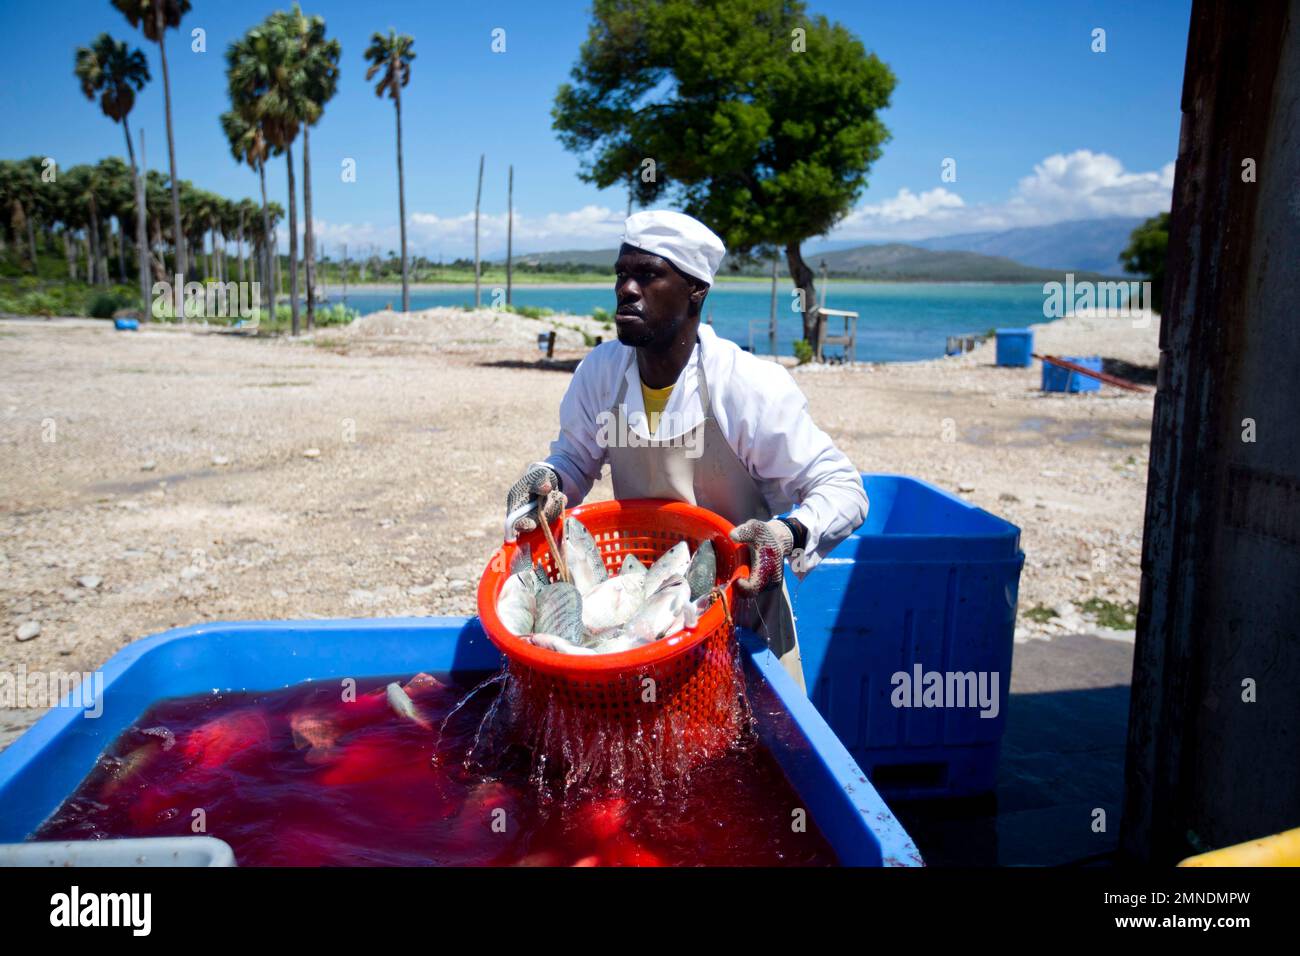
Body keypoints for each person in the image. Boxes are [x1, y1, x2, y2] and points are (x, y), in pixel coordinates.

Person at [504, 210, 868, 690]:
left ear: (696, 289)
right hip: (644, 609)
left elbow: (844, 489)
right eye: (621, 274)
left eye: (648, 275)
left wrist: (786, 534)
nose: (626, 289)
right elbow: (574, 460)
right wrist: (547, 480)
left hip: (742, 620)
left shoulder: (746, 386)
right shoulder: (601, 372)